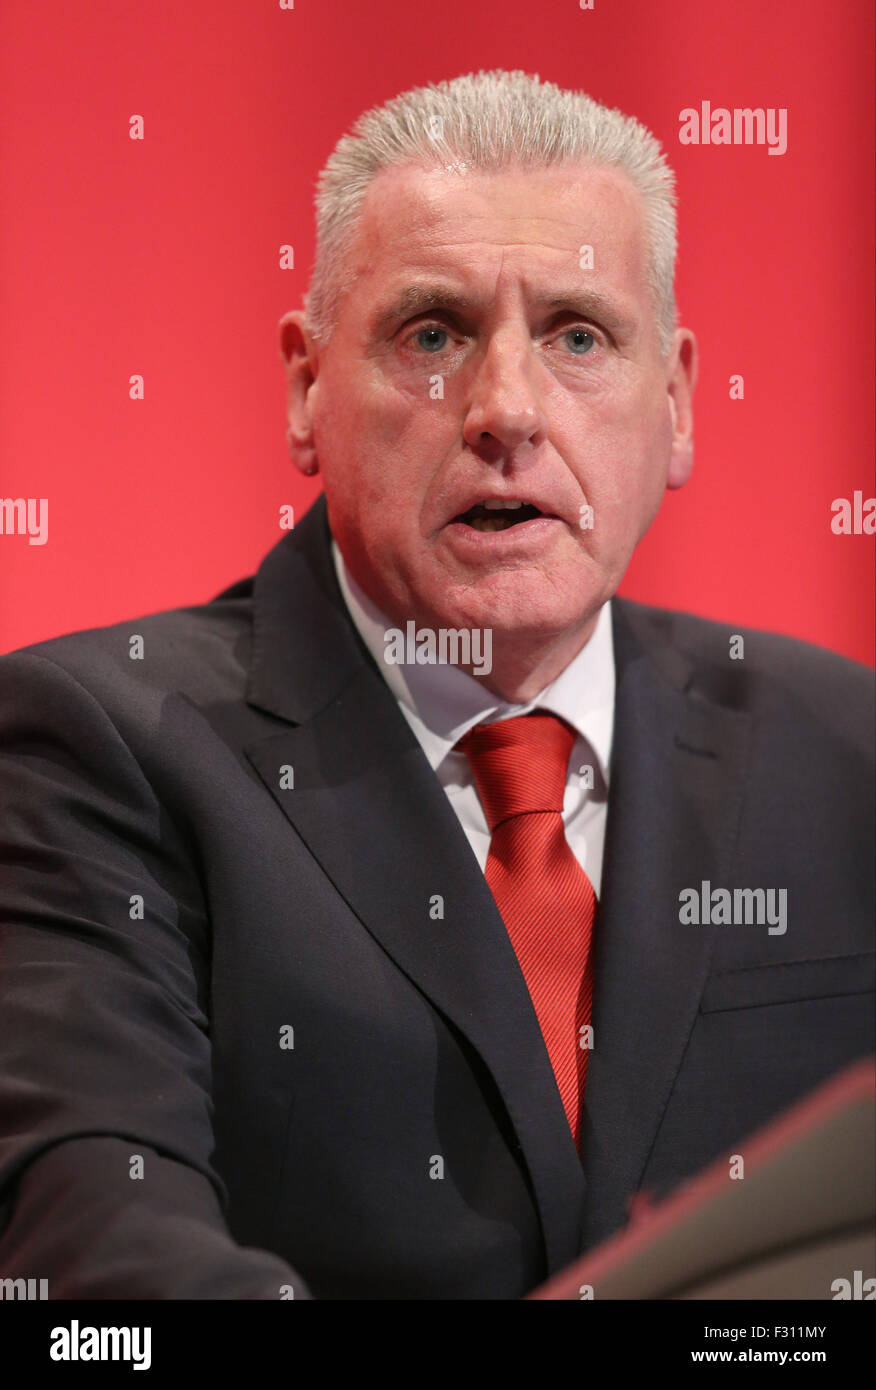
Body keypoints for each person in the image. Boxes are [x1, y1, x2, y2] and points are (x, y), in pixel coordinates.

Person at [0, 70, 872, 1301]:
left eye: (578, 333)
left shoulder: (844, 754)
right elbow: (98, 1244)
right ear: (307, 388)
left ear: (675, 404)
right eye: (432, 335)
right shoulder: (99, 747)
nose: (507, 408)